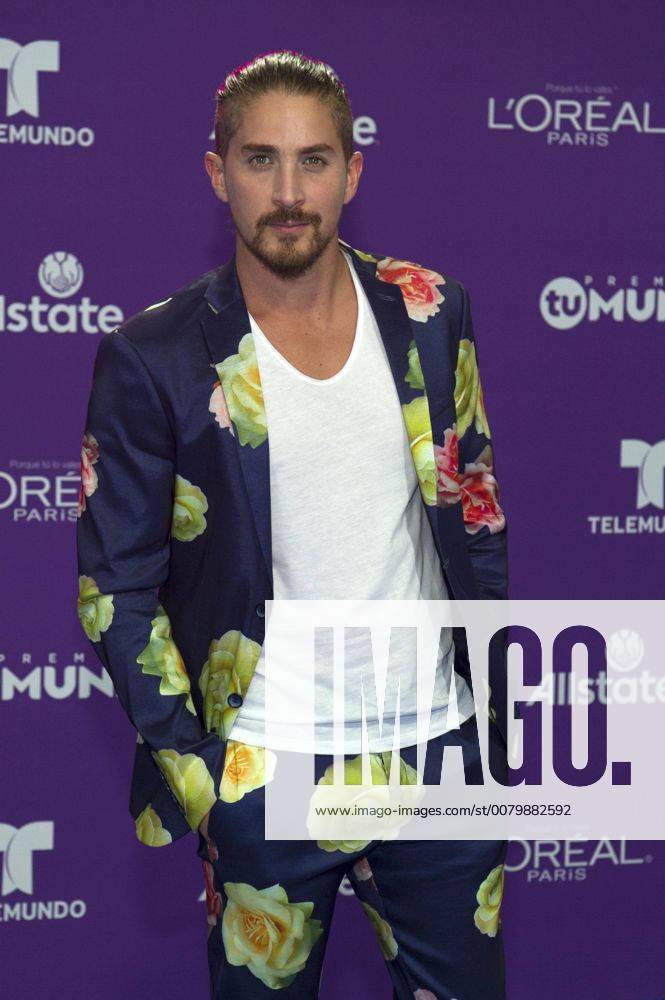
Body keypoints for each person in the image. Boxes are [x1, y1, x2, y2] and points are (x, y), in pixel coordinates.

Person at [76, 49, 509, 999]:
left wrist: (489, 725)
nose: (287, 190)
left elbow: (473, 514)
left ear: (352, 173)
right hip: (263, 765)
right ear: (216, 172)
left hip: (435, 754)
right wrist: (201, 782)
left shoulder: (429, 313)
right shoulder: (155, 356)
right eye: (260, 159)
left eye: (313, 160)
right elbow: (113, 586)